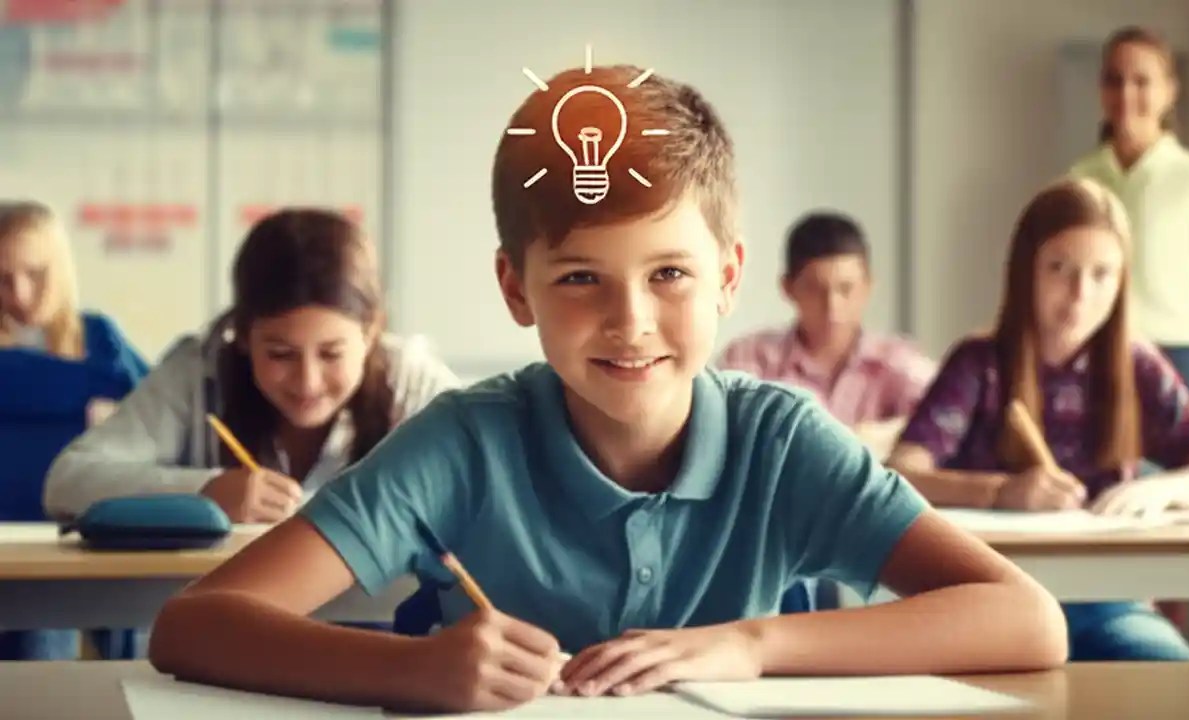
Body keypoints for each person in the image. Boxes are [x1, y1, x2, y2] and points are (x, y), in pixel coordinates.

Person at [147, 65, 1066, 713]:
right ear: (517, 288)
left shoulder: (780, 441)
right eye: (582, 278)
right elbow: (195, 627)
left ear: (729, 276)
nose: (630, 321)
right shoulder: (467, 441)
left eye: (669, 274)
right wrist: (412, 669)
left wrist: (750, 644)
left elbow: (1027, 621)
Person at [887, 178, 1189, 661]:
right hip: (988, 600)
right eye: (1060, 269)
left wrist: (1157, 489)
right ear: (1025, 271)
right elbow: (900, 472)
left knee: (1176, 676)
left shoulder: (1136, 363)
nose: (1081, 294)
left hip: (1109, 603)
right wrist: (1000, 492)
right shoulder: (981, 363)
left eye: (1104, 274)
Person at [45, 208, 459, 522]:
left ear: (371, 334)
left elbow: (499, 482)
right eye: (280, 354)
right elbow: (68, 482)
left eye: (332, 354)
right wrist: (205, 492)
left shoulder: (409, 380)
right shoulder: (198, 372)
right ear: (243, 335)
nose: (308, 381)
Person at [1070, 26, 1189, 437]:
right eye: (1114, 80)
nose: (1126, 94)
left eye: (1142, 81)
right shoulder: (1081, 180)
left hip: (1179, 364)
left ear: (1169, 91)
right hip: (1097, 360)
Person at [0, 200, 149, 661]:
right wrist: (84, 389)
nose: (20, 293)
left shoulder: (99, 335)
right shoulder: (96, 359)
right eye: (3, 279)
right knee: (35, 659)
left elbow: (152, 408)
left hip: (94, 532)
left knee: (138, 651)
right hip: (16, 547)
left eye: (36, 274)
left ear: (60, 269)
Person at [718, 211, 935, 459]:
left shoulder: (898, 360)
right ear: (788, 288)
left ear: (868, 286)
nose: (832, 306)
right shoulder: (750, 358)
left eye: (846, 288)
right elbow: (729, 435)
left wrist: (882, 434)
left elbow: (941, 426)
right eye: (815, 289)